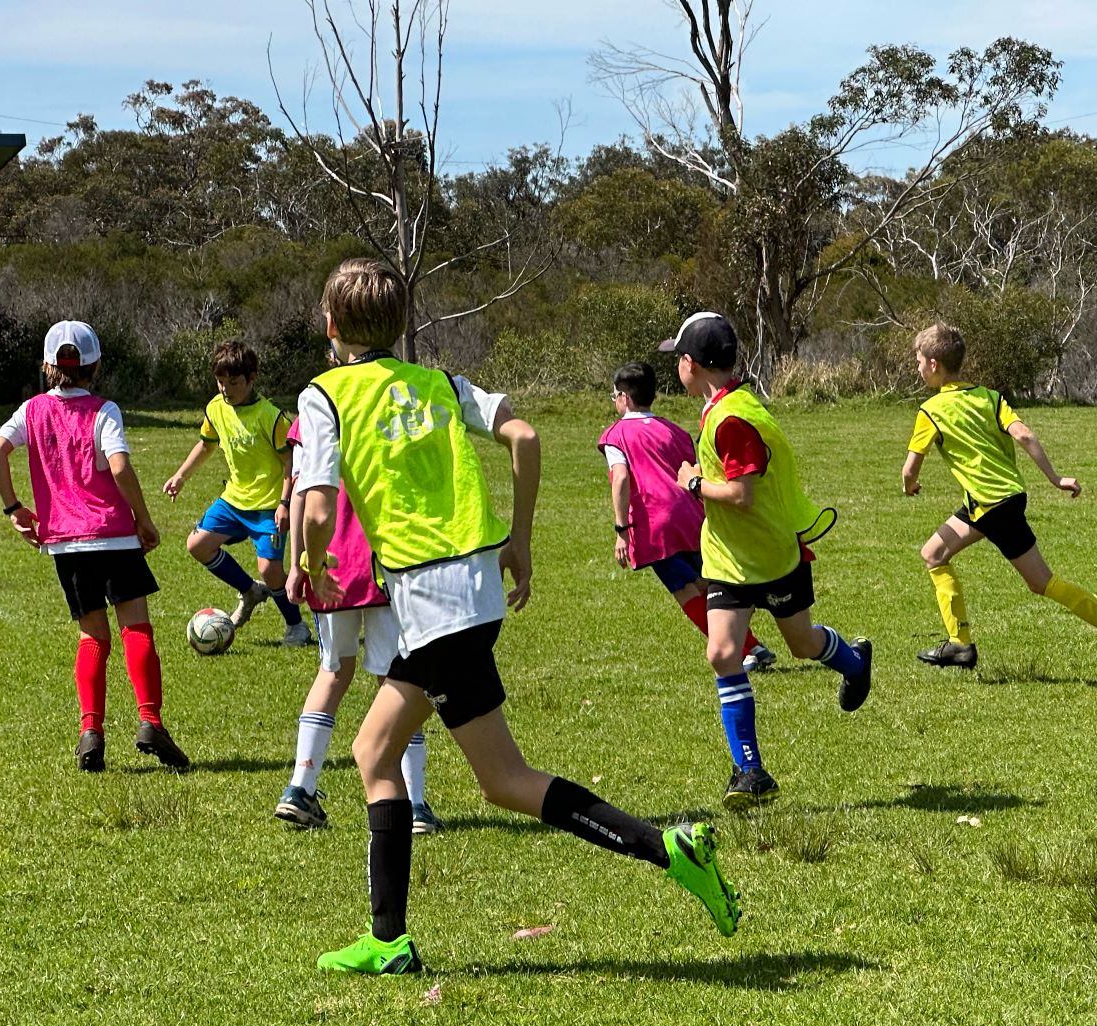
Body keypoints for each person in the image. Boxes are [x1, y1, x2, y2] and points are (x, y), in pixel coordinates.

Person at [293, 259, 740, 975]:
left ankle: (667, 849)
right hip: (470, 591)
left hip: (430, 601)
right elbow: (525, 436)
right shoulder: (440, 383)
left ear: (331, 325)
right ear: (401, 324)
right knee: (386, 754)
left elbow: (316, 509)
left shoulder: (324, 395)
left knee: (495, 776)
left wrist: (308, 564)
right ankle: (388, 938)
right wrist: (520, 540)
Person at [663, 312, 872, 809]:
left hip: (775, 556)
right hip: (729, 559)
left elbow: (742, 494)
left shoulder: (733, 418)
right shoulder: (724, 405)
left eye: (678, 359)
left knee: (803, 644)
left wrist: (693, 482)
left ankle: (855, 662)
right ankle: (751, 772)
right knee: (722, 653)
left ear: (690, 364)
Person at [0, 321, 190, 771]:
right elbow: (119, 467)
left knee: (92, 636)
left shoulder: (31, 410)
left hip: (66, 544)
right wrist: (143, 519)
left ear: (47, 366)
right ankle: (151, 721)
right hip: (113, 536)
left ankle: (91, 732)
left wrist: (14, 508)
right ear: (95, 366)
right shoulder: (104, 410)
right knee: (136, 628)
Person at [901, 321, 1097, 679]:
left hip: (990, 505)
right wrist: (1055, 478)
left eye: (919, 361)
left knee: (1042, 582)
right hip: (1002, 500)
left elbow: (910, 469)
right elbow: (1025, 435)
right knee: (934, 553)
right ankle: (960, 643)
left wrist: (909, 485)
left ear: (934, 364)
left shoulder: (931, 411)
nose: (918, 367)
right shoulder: (990, 398)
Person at [275, 416, 437, 834]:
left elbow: (301, 492)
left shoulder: (312, 413)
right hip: (387, 564)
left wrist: (298, 564)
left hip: (329, 563)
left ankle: (300, 787)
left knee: (332, 672)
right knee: (399, 681)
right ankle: (415, 804)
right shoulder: (388, 406)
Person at [598, 360, 775, 673]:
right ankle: (753, 646)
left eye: (615, 396)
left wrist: (621, 529)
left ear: (625, 397)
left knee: (684, 590)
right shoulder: (674, 430)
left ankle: (739, 651)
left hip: (656, 523)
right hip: (693, 514)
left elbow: (621, 477)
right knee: (705, 585)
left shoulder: (617, 434)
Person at [162, 340, 311, 645]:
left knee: (270, 570)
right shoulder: (216, 408)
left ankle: (297, 626)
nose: (226, 389)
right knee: (197, 545)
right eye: (221, 382)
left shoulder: (271, 417)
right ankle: (250, 591)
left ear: (251, 378)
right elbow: (206, 444)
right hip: (233, 500)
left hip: (268, 506)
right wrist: (180, 476)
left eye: (234, 382)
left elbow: (290, 461)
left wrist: (285, 503)